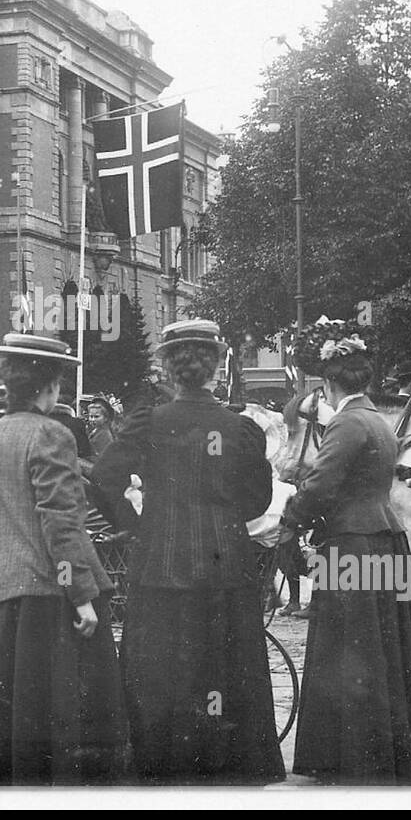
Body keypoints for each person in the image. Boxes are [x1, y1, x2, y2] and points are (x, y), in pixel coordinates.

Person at [94, 319, 284, 784]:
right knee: (225, 663)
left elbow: (103, 477)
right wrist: (220, 515)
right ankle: (229, 766)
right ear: (216, 366)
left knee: (159, 666)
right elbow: (258, 501)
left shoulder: (149, 421)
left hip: (160, 557)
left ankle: (162, 764)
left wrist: (135, 523)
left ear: (169, 368)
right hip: (226, 562)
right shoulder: (240, 428)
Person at [283, 334, 411, 784]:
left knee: (349, 647)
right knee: (393, 650)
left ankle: (355, 756)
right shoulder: (377, 420)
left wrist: (290, 517)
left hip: (352, 546)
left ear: (327, 387)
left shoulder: (346, 423)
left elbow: (320, 484)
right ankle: (401, 750)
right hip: (386, 540)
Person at [0, 332, 126, 784]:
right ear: (50, 387)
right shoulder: (51, 434)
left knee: (19, 709)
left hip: (10, 598)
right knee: (68, 708)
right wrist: (82, 596)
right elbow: (61, 523)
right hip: (52, 598)